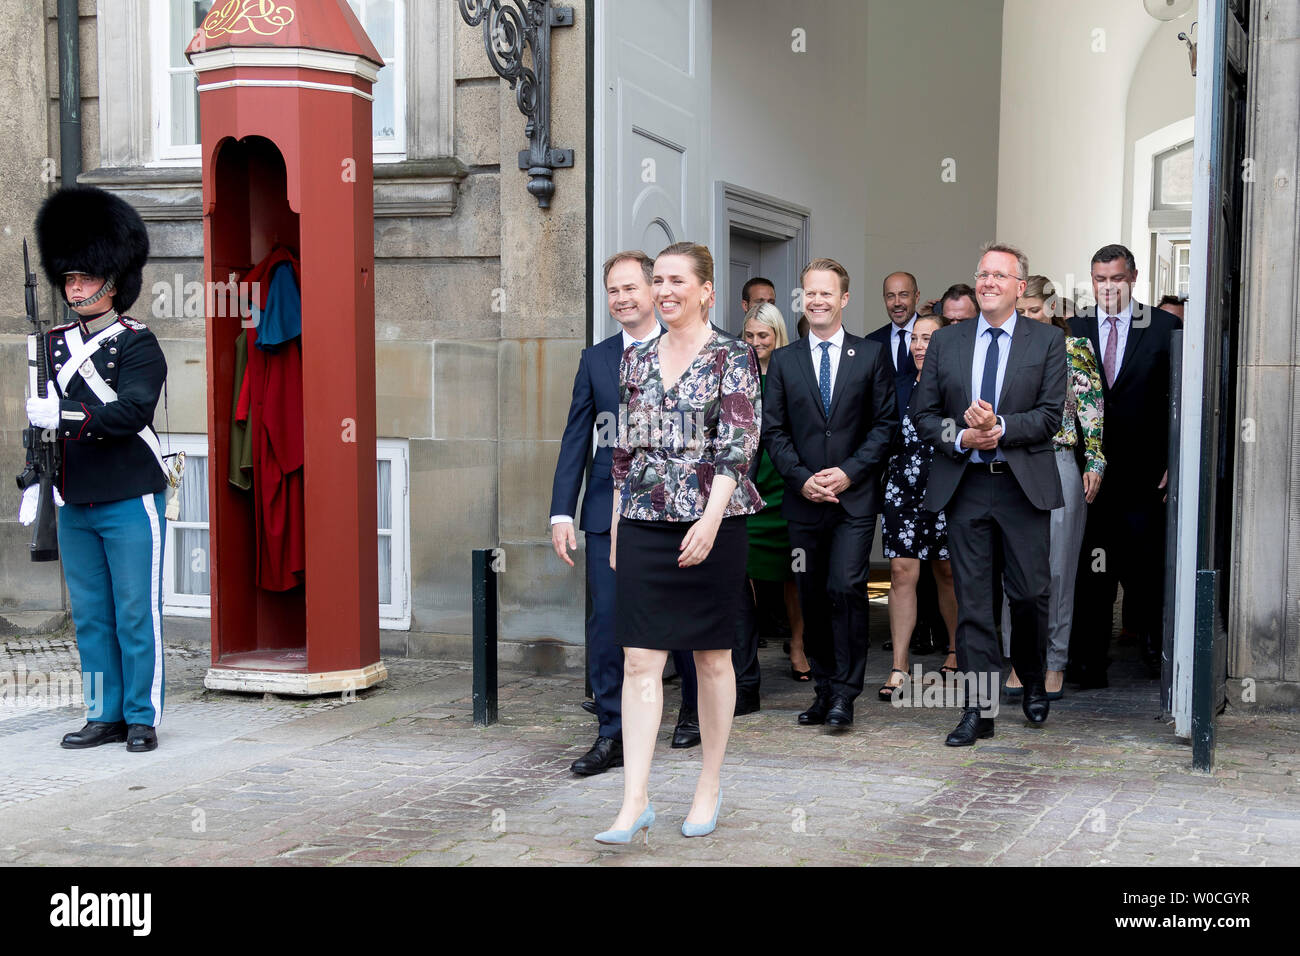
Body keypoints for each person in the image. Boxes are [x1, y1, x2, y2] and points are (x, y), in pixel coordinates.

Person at [597, 241, 763, 844]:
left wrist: (712, 521)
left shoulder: (733, 357)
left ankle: (708, 785)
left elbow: (738, 447)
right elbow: (622, 452)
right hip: (644, 521)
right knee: (640, 658)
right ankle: (634, 798)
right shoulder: (636, 360)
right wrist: (617, 526)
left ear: (704, 291)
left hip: (714, 522)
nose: (663, 291)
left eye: (675, 281)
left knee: (711, 657)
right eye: (657, 280)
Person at [20, 185, 167, 753]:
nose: (75, 288)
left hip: (128, 492)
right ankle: (103, 713)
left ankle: (140, 716)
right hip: (72, 496)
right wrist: (35, 480)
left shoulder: (137, 344)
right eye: (70, 279)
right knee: (91, 616)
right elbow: (36, 425)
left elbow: (131, 411)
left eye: (86, 278)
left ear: (112, 281)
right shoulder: (51, 344)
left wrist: (64, 413)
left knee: (134, 612)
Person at [550, 251, 702, 775]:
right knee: (609, 623)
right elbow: (576, 438)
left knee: (680, 618)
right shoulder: (595, 360)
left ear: (654, 290)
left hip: (675, 511)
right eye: (613, 291)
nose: (622, 299)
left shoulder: (691, 347)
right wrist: (561, 513)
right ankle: (610, 733)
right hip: (605, 513)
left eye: (631, 288)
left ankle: (691, 711)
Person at [911, 242, 1066, 746]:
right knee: (974, 603)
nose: (988, 282)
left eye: (1000, 275)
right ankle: (981, 707)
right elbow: (923, 414)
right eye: (982, 274)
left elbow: (1049, 417)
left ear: (1020, 287)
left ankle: (1034, 679)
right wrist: (962, 436)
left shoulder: (1045, 342)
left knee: (1029, 596)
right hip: (968, 485)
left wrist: (998, 427)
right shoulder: (948, 342)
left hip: (1023, 487)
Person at [763, 257, 899, 730]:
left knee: (846, 587)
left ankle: (846, 693)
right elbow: (773, 431)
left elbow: (885, 427)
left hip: (853, 500)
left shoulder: (872, 356)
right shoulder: (784, 361)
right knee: (812, 593)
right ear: (802, 299)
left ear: (843, 299)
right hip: (803, 502)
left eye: (827, 293)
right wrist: (801, 478)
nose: (817, 301)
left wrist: (848, 473)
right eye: (810, 293)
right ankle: (823, 688)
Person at [1068, 244, 1180, 686]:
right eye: (1099, 279)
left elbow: (1180, 402)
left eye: (1116, 278)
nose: (1108, 287)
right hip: (1087, 474)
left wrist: (1176, 459)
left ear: (1133, 278)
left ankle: (1156, 653)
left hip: (1145, 474)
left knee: (1146, 568)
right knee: (1091, 569)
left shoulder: (1164, 327)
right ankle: (1089, 661)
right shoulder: (1072, 328)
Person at [1001, 276, 1105, 700]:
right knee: (1016, 568)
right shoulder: (1005, 350)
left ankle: (1055, 662)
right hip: (1012, 464)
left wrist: (1095, 461)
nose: (1027, 318)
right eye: (1021, 311)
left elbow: (1092, 411)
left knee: (1059, 570)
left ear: (1053, 310)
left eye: (1034, 310)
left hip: (1059, 462)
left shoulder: (1073, 350)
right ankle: (1017, 660)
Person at [879, 314, 960, 699]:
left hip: (947, 485)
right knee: (900, 573)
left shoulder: (958, 386)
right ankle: (899, 665)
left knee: (947, 573)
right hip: (902, 488)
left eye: (929, 338)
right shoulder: (896, 385)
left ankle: (955, 650)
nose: (920, 345)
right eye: (915, 339)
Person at [742, 302, 809, 681]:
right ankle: (744, 652)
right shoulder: (737, 375)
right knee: (743, 576)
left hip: (787, 487)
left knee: (795, 576)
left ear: (777, 336)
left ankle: (798, 646)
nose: (755, 343)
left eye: (762, 336)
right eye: (749, 336)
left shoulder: (793, 373)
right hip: (748, 491)